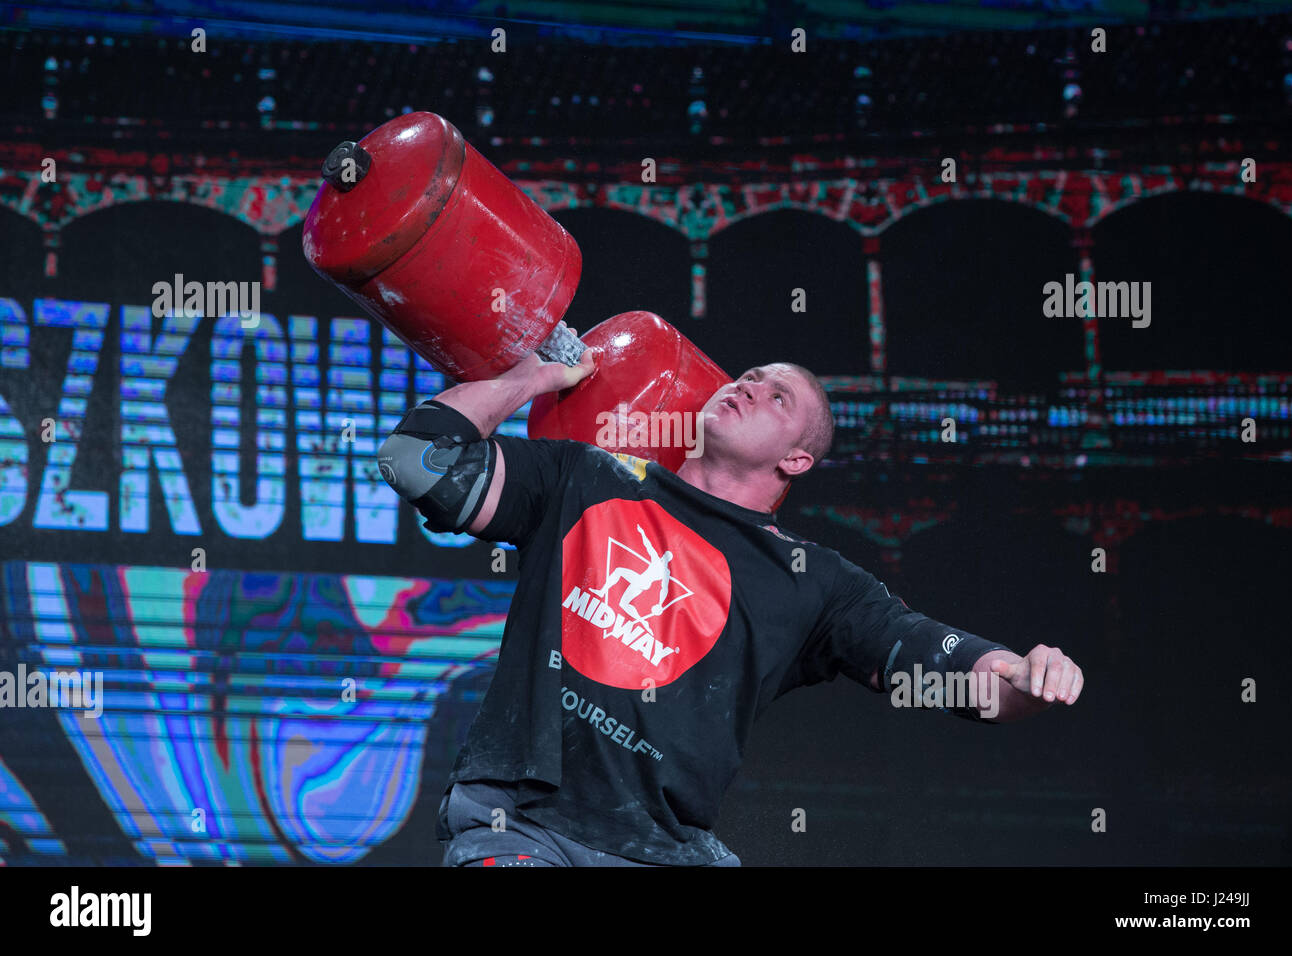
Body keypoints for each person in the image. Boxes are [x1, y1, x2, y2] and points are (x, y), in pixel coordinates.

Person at [378, 331, 1084, 867]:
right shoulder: (583, 477)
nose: (749, 386)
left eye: (779, 397)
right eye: (747, 377)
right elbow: (417, 458)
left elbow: (931, 662)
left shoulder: (810, 579)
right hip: (523, 828)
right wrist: (533, 376)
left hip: (663, 851)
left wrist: (1022, 678)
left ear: (797, 461)